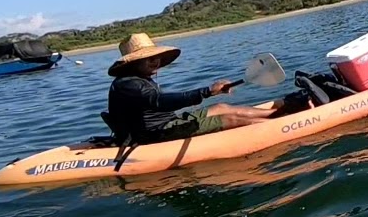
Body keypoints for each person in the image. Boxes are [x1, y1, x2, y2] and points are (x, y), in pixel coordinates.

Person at [106, 32, 284, 143]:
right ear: (133, 63)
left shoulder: (138, 78)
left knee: (221, 107)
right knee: (231, 119)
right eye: (148, 58)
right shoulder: (128, 84)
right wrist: (206, 91)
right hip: (155, 134)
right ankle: (284, 126)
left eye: (155, 56)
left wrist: (213, 92)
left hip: (167, 123)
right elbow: (159, 101)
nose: (155, 61)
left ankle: (279, 114)